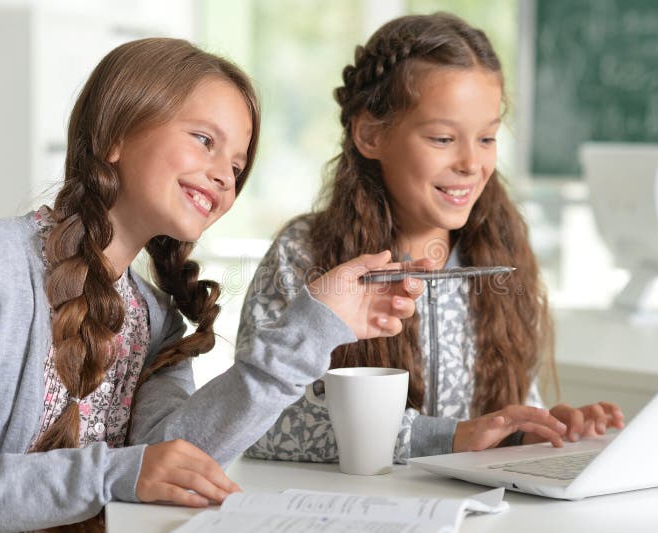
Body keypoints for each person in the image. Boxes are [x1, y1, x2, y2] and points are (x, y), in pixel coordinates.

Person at [0, 38, 423, 532]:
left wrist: (313, 325)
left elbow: (175, 462)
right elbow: (129, 472)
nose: (226, 178)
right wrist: (110, 475)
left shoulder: (155, 320)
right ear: (115, 135)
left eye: (236, 166)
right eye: (205, 140)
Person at [241, 13, 624, 465]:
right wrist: (444, 437)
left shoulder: (504, 252)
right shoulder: (302, 254)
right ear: (370, 135)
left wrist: (537, 429)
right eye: (443, 138)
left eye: (487, 138)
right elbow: (260, 423)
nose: (471, 163)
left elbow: (502, 415)